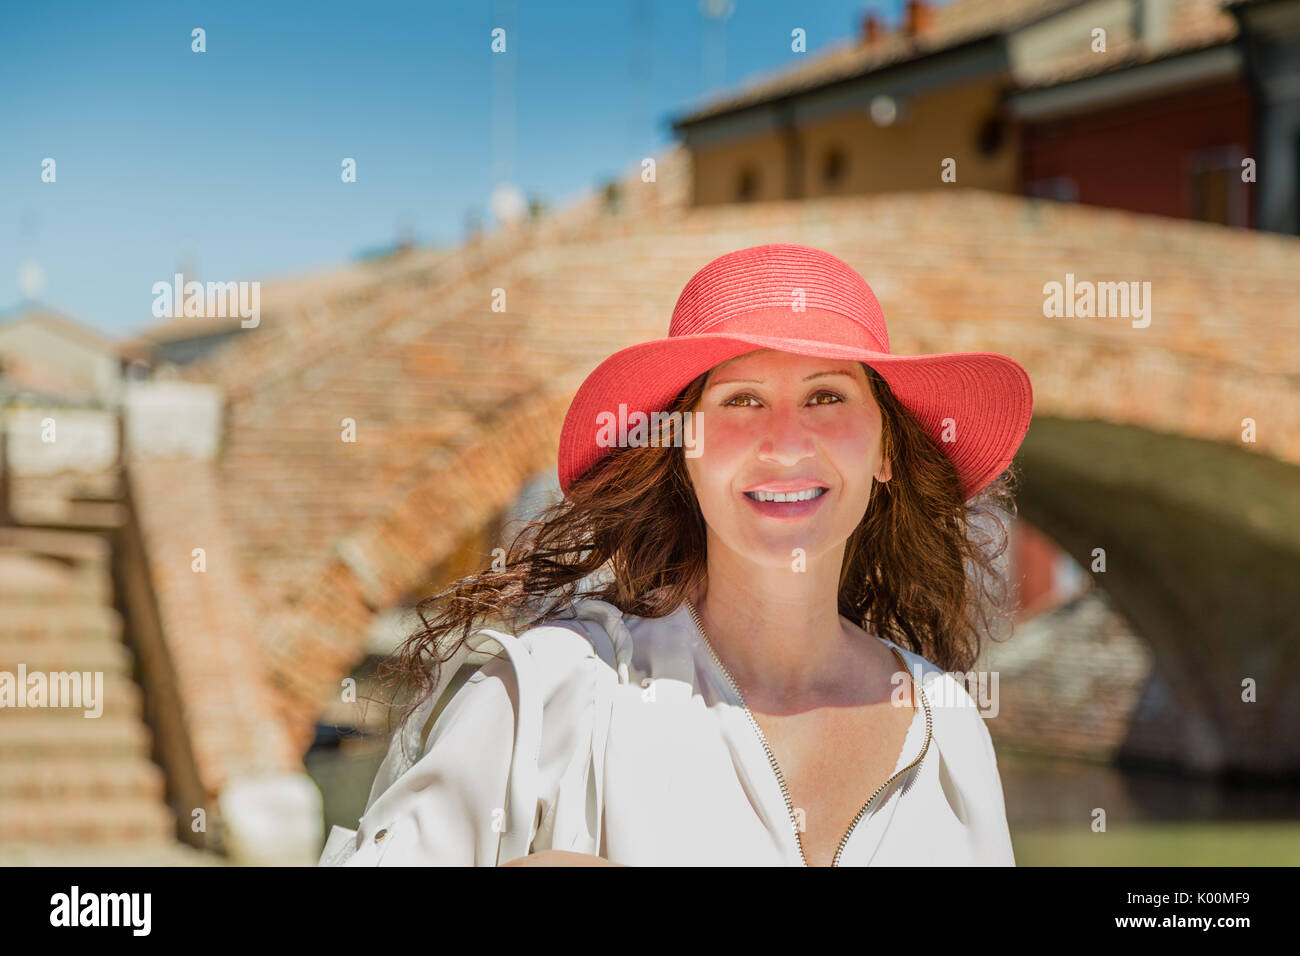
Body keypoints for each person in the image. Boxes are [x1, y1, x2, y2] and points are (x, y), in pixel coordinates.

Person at [318, 242, 1034, 866]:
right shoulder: (555, 694)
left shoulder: (949, 728)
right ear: (683, 450)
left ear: (884, 449)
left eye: (827, 396)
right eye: (741, 400)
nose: (786, 442)